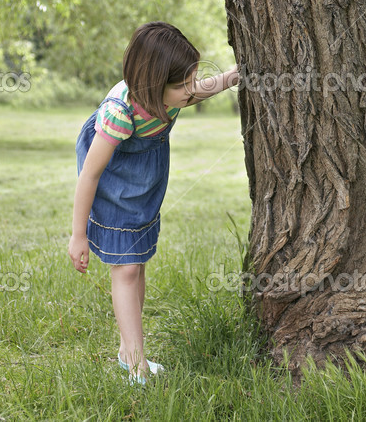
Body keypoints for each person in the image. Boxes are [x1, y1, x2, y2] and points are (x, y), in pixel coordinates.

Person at [68, 22, 240, 383]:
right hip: (115, 186)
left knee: (137, 263)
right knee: (127, 268)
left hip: (143, 187)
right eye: (182, 86)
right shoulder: (120, 114)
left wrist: (233, 76)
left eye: (191, 79)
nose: (190, 91)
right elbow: (90, 175)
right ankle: (134, 364)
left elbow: (203, 89)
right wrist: (77, 234)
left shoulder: (174, 93)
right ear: (152, 84)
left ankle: (127, 351)